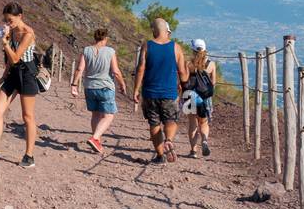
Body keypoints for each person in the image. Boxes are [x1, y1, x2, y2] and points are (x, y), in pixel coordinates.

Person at [132, 16, 188, 164]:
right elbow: (182, 71)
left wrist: (136, 89)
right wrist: (185, 87)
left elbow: (140, 69)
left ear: (154, 30)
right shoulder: (175, 47)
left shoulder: (147, 46)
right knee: (171, 120)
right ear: (166, 31)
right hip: (170, 92)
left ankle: (160, 155)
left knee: (154, 124)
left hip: (150, 92)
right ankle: (169, 139)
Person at [0, 2, 39, 168]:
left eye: (10, 20)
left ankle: (29, 156)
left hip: (27, 74)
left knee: (27, 116)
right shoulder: (10, 32)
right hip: (13, 73)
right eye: (5, 20)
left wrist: (4, 42)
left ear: (20, 17)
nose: (7, 23)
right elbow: (10, 61)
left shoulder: (28, 33)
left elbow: (16, 57)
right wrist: (3, 77)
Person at [70, 28, 128, 154]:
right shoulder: (110, 51)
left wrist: (74, 84)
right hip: (105, 87)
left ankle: (97, 140)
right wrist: (122, 84)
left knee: (95, 114)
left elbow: (80, 69)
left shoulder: (86, 50)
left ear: (95, 38)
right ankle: (95, 138)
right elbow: (116, 71)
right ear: (105, 38)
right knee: (109, 116)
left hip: (89, 87)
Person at [182, 38, 216, 158]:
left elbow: (184, 81)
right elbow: (213, 83)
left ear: (192, 50)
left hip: (190, 96)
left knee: (192, 123)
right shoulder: (211, 64)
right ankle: (204, 140)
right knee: (203, 122)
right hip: (205, 98)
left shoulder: (188, 64)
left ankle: (193, 151)